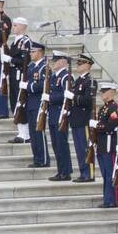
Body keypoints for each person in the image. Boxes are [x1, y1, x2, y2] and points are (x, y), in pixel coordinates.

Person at [46, 53, 73, 182]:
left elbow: (66, 95)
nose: (54, 63)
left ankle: (65, 171)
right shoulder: (53, 77)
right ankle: (60, 170)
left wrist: (50, 98)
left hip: (60, 114)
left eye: (56, 60)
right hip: (52, 114)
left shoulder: (66, 77)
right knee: (56, 145)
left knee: (61, 144)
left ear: (63, 61)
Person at [90, 82, 118, 200]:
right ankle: (107, 199)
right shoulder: (103, 108)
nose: (102, 94)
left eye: (104, 91)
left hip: (108, 145)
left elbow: (111, 126)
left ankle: (112, 200)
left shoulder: (113, 108)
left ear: (111, 92)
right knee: (104, 174)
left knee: (110, 174)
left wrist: (97, 125)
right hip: (101, 144)